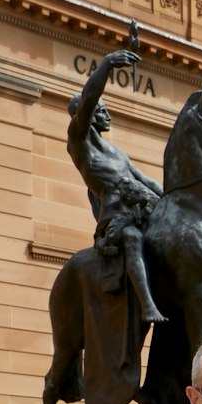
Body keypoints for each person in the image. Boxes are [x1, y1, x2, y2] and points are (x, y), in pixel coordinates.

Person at [68, 45, 167, 327]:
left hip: (143, 209)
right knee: (133, 238)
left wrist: (172, 198)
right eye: (102, 110)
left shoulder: (116, 153)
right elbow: (88, 98)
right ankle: (148, 306)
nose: (107, 114)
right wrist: (107, 65)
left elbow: (145, 180)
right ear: (86, 115)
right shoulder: (80, 143)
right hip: (114, 218)